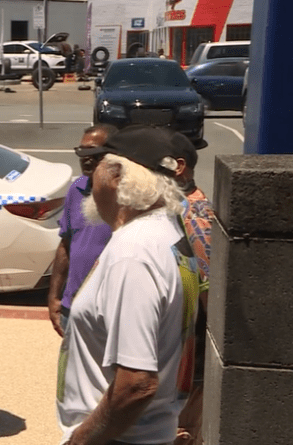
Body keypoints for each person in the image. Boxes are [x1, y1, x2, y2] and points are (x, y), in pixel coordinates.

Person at [59, 125, 201, 445]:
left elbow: (137, 384)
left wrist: (79, 441)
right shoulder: (167, 233)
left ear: (117, 177)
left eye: (98, 165)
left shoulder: (133, 252)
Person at [49, 125, 116, 426]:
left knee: (107, 386)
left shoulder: (123, 196)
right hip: (71, 307)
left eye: (94, 153)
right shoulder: (75, 189)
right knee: (72, 383)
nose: (86, 159)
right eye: (81, 153)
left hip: (109, 310)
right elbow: (66, 243)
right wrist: (53, 296)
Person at [167, 132, 214, 445]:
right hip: (175, 351)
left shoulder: (195, 214)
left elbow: (210, 293)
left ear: (178, 167)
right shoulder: (175, 208)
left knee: (182, 434)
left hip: (188, 356)